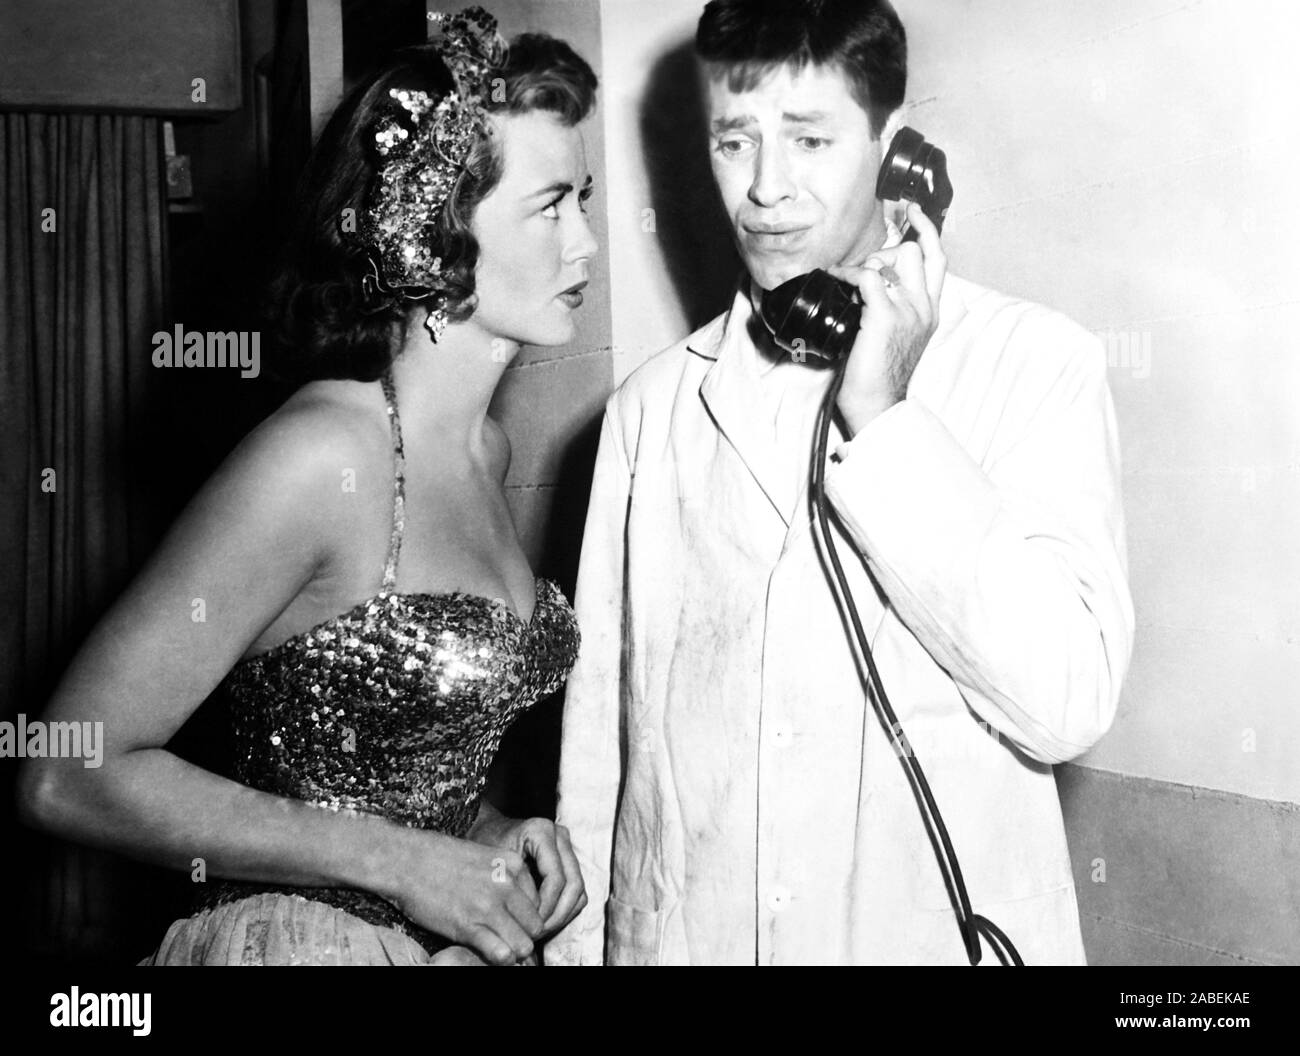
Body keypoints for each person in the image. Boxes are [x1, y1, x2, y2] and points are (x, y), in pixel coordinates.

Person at [547, 0, 1134, 965]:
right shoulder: (649, 410)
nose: (765, 189)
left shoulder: (1033, 365)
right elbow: (600, 753)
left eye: (811, 140)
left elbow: (1066, 698)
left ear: (896, 154)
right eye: (734, 142)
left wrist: (892, 422)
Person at [17, 7, 597, 966]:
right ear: (430, 231)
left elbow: (384, 761)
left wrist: (488, 833)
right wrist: (402, 863)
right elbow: (65, 768)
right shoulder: (325, 454)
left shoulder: (485, 452)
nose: (582, 244)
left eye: (582, 200)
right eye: (550, 206)